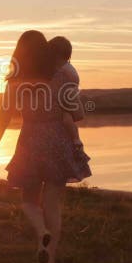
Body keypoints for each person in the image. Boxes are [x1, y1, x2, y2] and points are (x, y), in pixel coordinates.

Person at [0, 30, 86, 263]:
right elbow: (77, 113)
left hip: (30, 141)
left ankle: (41, 232)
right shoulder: (62, 75)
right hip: (58, 140)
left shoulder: (16, 80)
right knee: (53, 206)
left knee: (28, 201)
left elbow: (3, 117)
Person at [48, 36, 92, 180]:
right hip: (70, 92)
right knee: (69, 118)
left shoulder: (60, 70)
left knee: (66, 117)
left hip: (67, 93)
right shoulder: (68, 67)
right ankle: (76, 140)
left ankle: (75, 140)